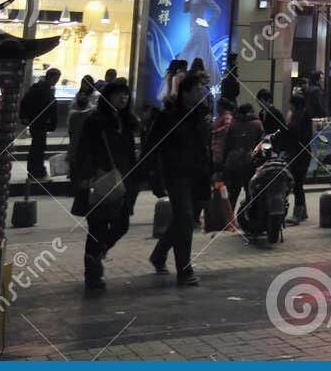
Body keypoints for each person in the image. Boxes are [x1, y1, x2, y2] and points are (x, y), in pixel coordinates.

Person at [70, 77, 140, 291]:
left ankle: (98, 254)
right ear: (107, 97)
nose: (123, 98)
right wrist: (88, 174)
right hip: (100, 180)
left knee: (122, 224)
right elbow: (83, 150)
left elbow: (130, 152)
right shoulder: (95, 121)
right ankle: (92, 274)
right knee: (97, 227)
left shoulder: (127, 121)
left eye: (126, 94)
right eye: (118, 94)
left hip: (123, 180)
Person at [146, 73, 212, 286]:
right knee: (184, 217)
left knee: (184, 220)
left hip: (198, 175)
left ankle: (159, 253)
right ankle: (184, 270)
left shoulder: (201, 115)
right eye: (198, 89)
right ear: (186, 92)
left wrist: (211, 172)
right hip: (176, 175)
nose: (202, 92)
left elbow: (205, 148)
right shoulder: (168, 117)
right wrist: (150, 174)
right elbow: (151, 146)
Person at [18, 68, 61, 181]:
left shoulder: (49, 89)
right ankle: (37, 172)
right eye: (56, 78)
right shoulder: (39, 88)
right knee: (37, 147)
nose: (56, 81)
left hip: (42, 123)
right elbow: (26, 102)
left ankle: (36, 171)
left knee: (39, 147)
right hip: (37, 122)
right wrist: (25, 117)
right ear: (51, 77)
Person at [221, 102, 264, 213]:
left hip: (233, 162)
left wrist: (223, 162)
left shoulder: (233, 124)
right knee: (250, 190)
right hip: (250, 162)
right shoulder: (257, 124)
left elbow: (227, 145)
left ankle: (229, 219)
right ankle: (249, 216)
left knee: (233, 192)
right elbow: (262, 144)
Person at [282, 94, 315, 222]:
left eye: (291, 103)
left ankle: (297, 214)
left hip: (302, 154)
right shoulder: (294, 116)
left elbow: (305, 135)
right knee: (297, 183)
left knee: (297, 184)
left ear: (296, 104)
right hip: (294, 152)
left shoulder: (305, 116)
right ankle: (303, 212)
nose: (289, 106)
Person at [67, 77, 97, 165]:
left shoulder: (96, 95)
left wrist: (87, 105)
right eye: (83, 84)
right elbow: (72, 106)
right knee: (74, 145)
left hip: (89, 125)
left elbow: (96, 109)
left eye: (86, 84)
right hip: (76, 124)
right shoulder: (79, 94)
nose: (84, 86)